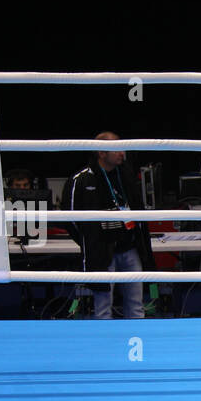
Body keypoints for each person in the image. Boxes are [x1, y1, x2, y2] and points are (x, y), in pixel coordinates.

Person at [67, 132, 154, 318]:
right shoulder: (82, 179)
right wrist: (90, 241)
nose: (122, 153)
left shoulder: (127, 174)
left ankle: (137, 336)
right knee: (103, 307)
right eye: (116, 149)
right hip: (102, 251)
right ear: (101, 152)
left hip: (130, 247)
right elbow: (70, 219)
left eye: (122, 148)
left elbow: (138, 209)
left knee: (136, 305)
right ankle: (104, 337)